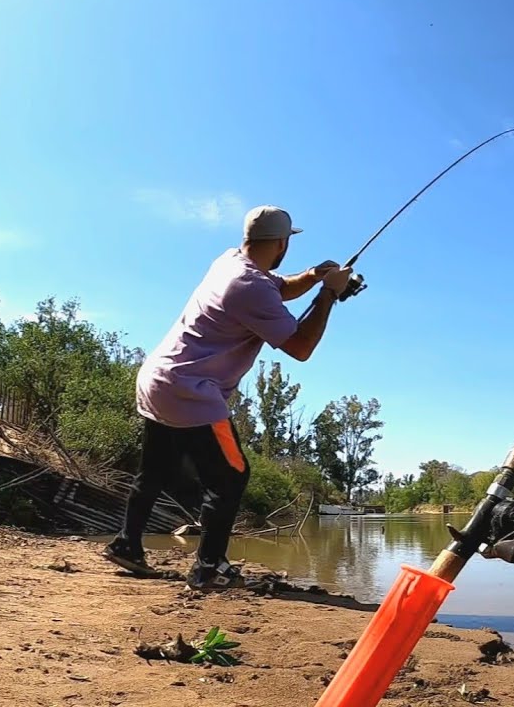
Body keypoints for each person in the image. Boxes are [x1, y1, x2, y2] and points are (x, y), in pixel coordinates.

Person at [102, 204, 353, 590]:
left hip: (158, 380)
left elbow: (278, 288)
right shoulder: (251, 287)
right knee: (231, 476)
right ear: (282, 244)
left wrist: (313, 276)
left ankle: (127, 544)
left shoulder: (230, 261)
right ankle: (209, 567)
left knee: (154, 471)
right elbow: (301, 347)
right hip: (191, 393)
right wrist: (328, 294)